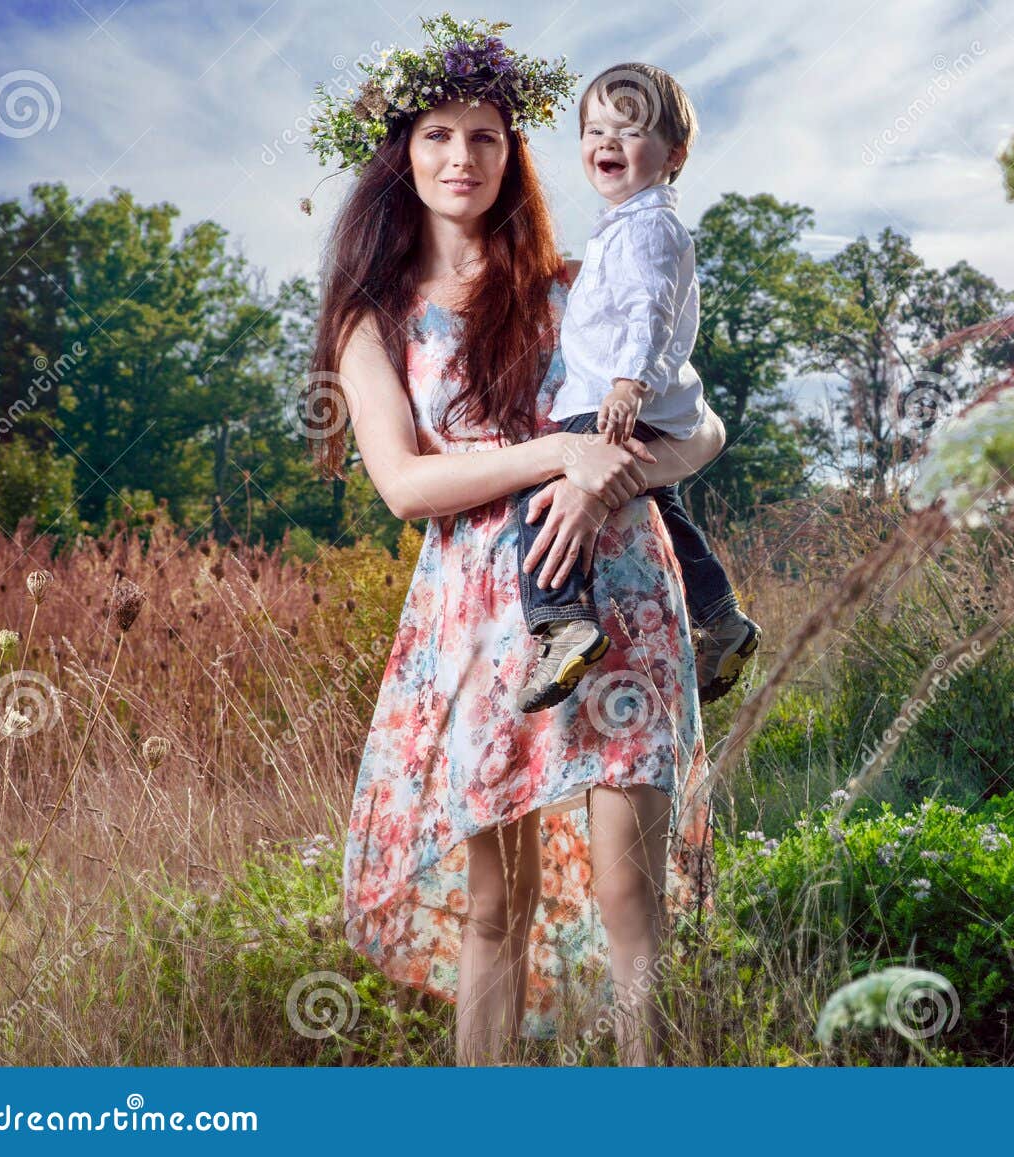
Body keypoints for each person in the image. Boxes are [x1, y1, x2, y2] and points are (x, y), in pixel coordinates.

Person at [302, 15, 720, 1066]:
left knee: (630, 882)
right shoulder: (374, 318)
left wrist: (605, 477)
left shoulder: (572, 284)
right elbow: (405, 483)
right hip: (483, 615)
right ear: (403, 151)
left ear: (511, 155)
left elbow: (701, 427)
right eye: (438, 135)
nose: (461, 157)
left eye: (484, 137)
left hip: (616, 585)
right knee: (499, 897)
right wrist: (556, 460)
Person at [514, 62, 761, 715]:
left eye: (630, 130)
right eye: (595, 129)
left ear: (674, 153)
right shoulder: (627, 225)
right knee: (666, 508)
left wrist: (626, 384)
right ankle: (722, 618)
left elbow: (651, 309)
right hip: (648, 403)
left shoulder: (648, 227)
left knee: (537, 497)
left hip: (614, 401)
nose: (608, 143)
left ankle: (560, 617)